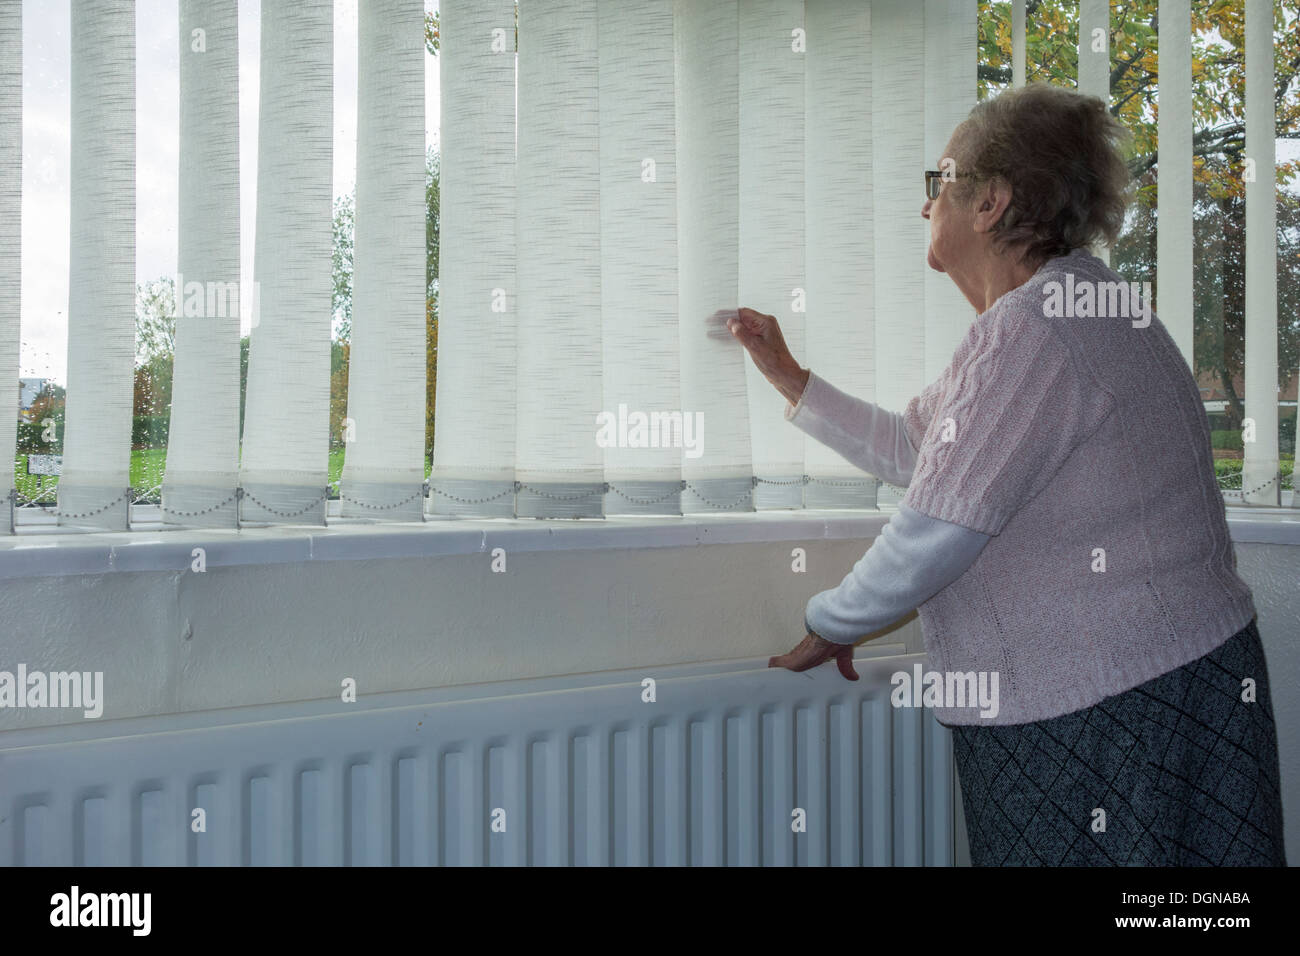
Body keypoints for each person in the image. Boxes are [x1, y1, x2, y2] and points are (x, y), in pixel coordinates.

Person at [729, 82, 1287, 867]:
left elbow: (939, 525)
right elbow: (919, 450)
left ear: (989, 201)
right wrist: (790, 377)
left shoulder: (1035, 330)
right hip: (1177, 682)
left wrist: (831, 621)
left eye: (939, 184)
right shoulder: (1078, 309)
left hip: (1105, 708)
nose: (926, 207)